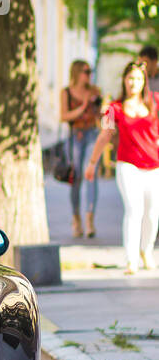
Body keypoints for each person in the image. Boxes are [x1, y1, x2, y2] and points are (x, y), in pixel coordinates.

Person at [85, 60, 159, 274]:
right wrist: (92, 163)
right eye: (130, 78)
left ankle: (145, 250)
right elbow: (104, 135)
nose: (133, 82)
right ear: (124, 81)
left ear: (144, 81)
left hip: (153, 165)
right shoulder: (114, 108)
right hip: (128, 165)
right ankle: (131, 259)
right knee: (134, 209)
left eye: (137, 78)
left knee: (153, 214)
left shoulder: (155, 102)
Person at [60, 59, 102, 238]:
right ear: (77, 72)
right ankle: (76, 219)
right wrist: (83, 106)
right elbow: (63, 116)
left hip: (92, 134)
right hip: (75, 136)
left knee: (90, 174)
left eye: (90, 71)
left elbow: (100, 115)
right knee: (76, 177)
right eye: (86, 71)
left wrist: (99, 106)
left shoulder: (95, 91)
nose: (89, 74)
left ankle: (90, 220)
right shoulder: (67, 92)